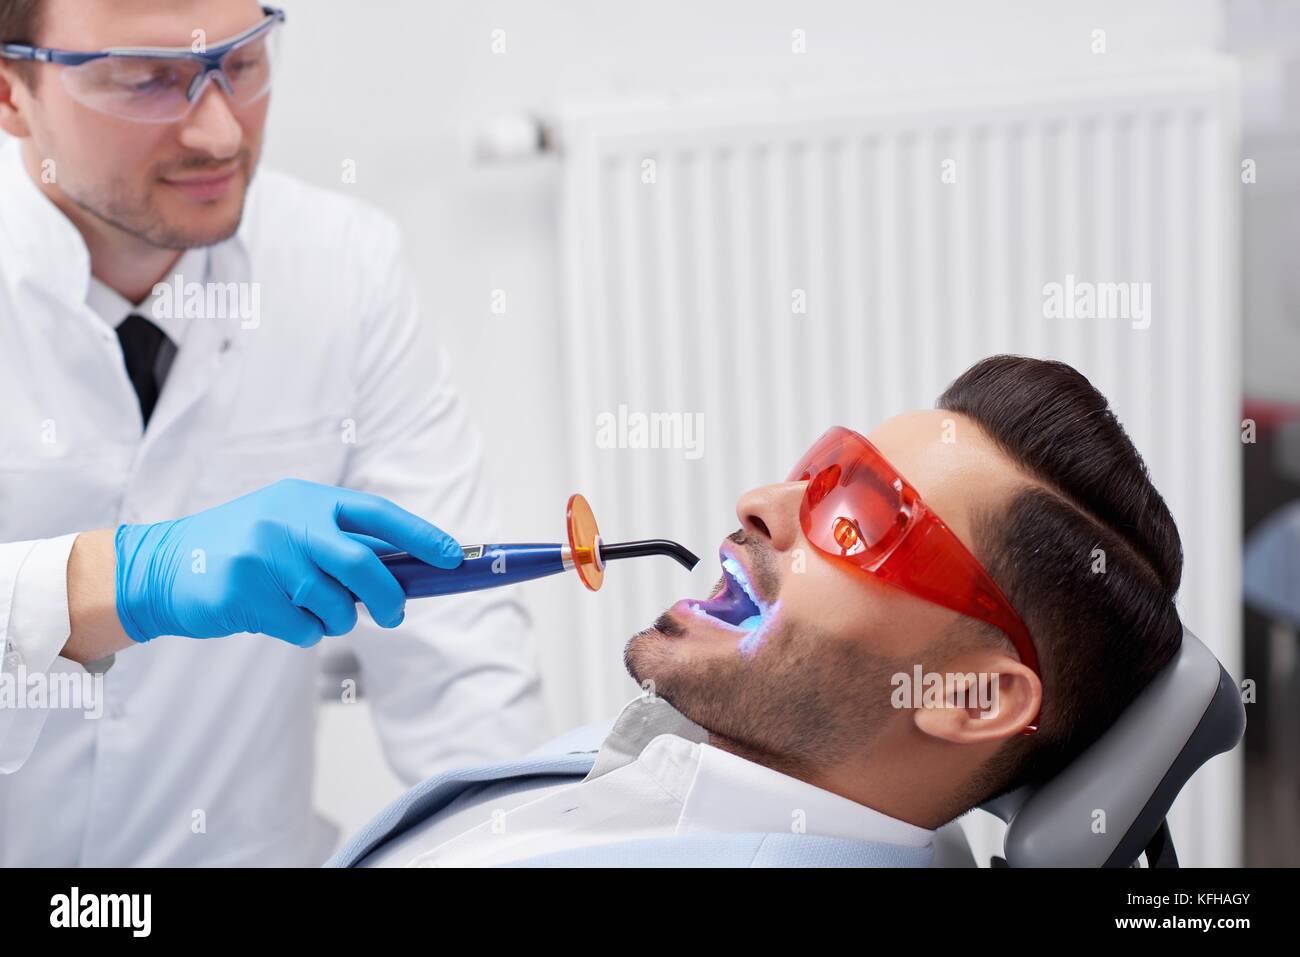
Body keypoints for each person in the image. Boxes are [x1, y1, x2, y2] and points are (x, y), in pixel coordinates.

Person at [0, 0, 545, 865]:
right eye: (149, 77)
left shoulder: (342, 267)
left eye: (244, 62)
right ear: (10, 89)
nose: (219, 133)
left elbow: (458, 669)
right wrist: (116, 584)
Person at [330, 355, 1186, 868]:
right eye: (819, 471)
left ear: (968, 696)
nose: (760, 502)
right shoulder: (686, 748)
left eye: (862, 515)